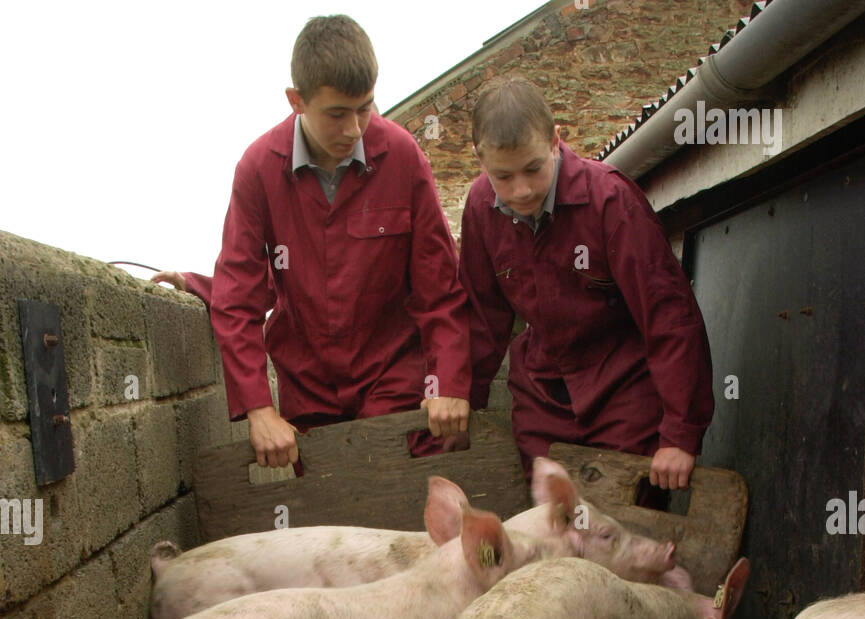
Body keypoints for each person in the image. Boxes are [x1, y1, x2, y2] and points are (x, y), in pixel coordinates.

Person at [154, 15, 470, 470]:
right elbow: (242, 292)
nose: (355, 129)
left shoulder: (403, 157)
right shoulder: (258, 168)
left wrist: (448, 382)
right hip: (308, 389)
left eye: (365, 108)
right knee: (326, 514)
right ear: (296, 100)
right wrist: (260, 409)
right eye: (337, 114)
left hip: (393, 377)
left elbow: (439, 289)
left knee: (390, 495)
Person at [459, 77, 714, 492]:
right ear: (480, 160)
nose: (520, 190)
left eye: (534, 169)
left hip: (623, 395)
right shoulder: (480, 208)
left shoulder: (610, 200)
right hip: (542, 401)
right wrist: (464, 395)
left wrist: (680, 433)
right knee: (553, 534)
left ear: (556, 141)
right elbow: (481, 316)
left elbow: (668, 315)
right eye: (503, 177)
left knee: (620, 531)